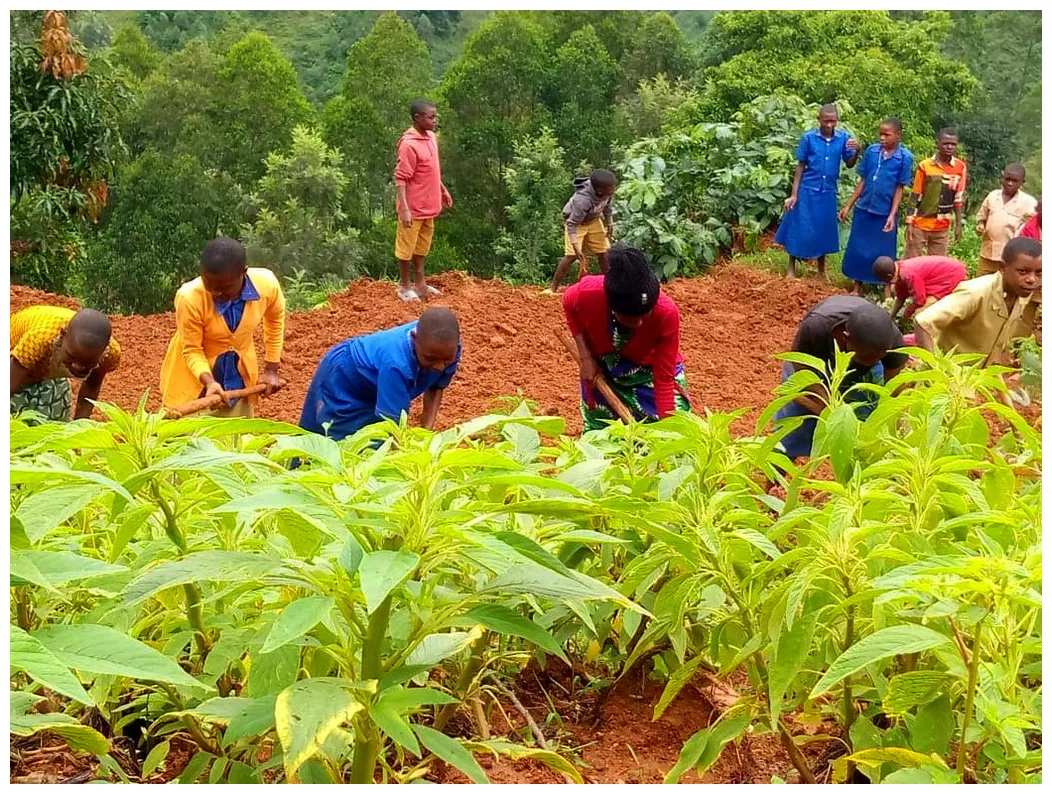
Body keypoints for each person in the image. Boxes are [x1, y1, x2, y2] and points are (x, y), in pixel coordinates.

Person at [562, 243, 692, 430]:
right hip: (602, 367)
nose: (639, 322)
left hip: (648, 370)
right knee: (601, 435)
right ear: (613, 307)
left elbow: (663, 381)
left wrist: (669, 436)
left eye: (645, 314)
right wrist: (586, 357)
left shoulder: (666, 312)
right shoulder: (588, 293)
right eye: (630, 317)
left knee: (678, 426)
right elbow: (568, 304)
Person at [160, 237, 285, 417]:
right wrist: (210, 383)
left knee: (236, 439)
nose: (215, 292)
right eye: (207, 283)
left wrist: (271, 369)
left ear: (244, 273)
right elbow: (192, 349)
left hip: (239, 379)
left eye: (224, 287)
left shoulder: (266, 285)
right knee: (184, 439)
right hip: (193, 385)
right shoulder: (189, 298)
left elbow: (275, 320)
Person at [774, 297, 907, 461]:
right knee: (789, 436)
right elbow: (801, 369)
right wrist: (832, 410)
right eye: (865, 357)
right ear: (845, 337)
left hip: (860, 378)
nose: (871, 361)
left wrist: (888, 427)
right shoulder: (817, 326)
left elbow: (892, 391)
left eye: (877, 358)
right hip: (813, 364)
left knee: (863, 441)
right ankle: (770, 482)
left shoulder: (894, 344)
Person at [299, 307, 461, 441]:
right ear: (414, 338)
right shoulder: (396, 364)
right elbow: (391, 425)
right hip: (345, 378)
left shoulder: (446, 347)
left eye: (447, 359)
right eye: (430, 359)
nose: (440, 366)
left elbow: (435, 388)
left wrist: (427, 436)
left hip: (374, 385)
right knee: (343, 443)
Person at [913, 236, 1041, 367]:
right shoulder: (976, 293)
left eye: (1039, 273)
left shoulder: (1021, 295)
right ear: (1002, 267)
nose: (1031, 279)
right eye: (1023, 271)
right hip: (949, 377)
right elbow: (923, 323)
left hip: (975, 379)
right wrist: (936, 368)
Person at [775, 104, 860, 279]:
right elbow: (800, 166)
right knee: (799, 227)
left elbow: (849, 163)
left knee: (824, 230)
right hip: (807, 190)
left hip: (828, 191)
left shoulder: (843, 138)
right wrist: (794, 195)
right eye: (826, 121)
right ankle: (791, 268)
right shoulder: (809, 139)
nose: (829, 125)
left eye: (833, 121)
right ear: (818, 120)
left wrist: (857, 150)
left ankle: (822, 270)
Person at [839, 119, 915, 294]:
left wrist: (892, 215)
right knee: (858, 248)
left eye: (886, 135)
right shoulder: (872, 152)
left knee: (885, 251)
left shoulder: (904, 158)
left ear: (898, 136)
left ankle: (886, 288)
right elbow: (863, 181)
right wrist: (848, 205)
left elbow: (899, 188)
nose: (882, 138)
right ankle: (857, 285)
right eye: (880, 134)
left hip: (885, 212)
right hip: (864, 208)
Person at [10, 306, 119, 422]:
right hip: (12, 366)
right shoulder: (39, 339)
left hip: (45, 372)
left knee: (53, 425)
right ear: (62, 335)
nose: (77, 366)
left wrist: (79, 427)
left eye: (88, 363)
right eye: (71, 357)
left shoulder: (110, 353)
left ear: (104, 350)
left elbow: (92, 385)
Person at [394, 98, 453, 302]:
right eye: (431, 117)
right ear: (417, 118)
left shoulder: (431, 138)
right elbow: (401, 178)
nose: (435, 120)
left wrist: (443, 191)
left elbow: (432, 171)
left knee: (422, 248)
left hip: (429, 206)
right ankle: (404, 286)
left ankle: (420, 283)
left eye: (435, 116)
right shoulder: (409, 145)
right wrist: (404, 209)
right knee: (406, 248)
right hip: (413, 207)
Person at [545, 169, 618, 294]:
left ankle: (611, 286)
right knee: (571, 255)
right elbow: (571, 224)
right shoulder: (583, 200)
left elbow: (607, 207)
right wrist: (575, 246)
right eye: (612, 187)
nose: (614, 190)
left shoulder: (607, 193)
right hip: (575, 223)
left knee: (604, 252)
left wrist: (609, 223)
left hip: (594, 219)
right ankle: (552, 288)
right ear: (599, 191)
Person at [904, 128, 967, 258]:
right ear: (937, 143)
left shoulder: (960, 167)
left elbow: (958, 198)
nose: (949, 147)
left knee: (937, 265)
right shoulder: (925, 166)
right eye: (945, 143)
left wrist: (958, 224)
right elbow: (916, 195)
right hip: (920, 224)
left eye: (953, 144)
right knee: (911, 262)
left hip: (942, 227)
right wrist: (909, 222)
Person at [975, 163, 1038, 276]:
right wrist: (980, 225)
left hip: (1010, 259)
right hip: (987, 254)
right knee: (981, 286)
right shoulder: (993, 196)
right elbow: (982, 217)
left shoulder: (1029, 203)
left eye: (1014, 181)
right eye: (1007, 179)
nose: (1010, 183)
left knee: (1004, 289)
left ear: (1022, 183)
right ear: (1002, 177)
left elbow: (1035, 227)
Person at [872, 254, 969, 321]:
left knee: (920, 314)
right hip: (941, 275)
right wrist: (891, 316)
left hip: (951, 276)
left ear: (889, 276)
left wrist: (907, 313)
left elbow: (920, 300)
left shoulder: (908, 274)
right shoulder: (899, 270)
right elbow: (901, 297)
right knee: (896, 291)